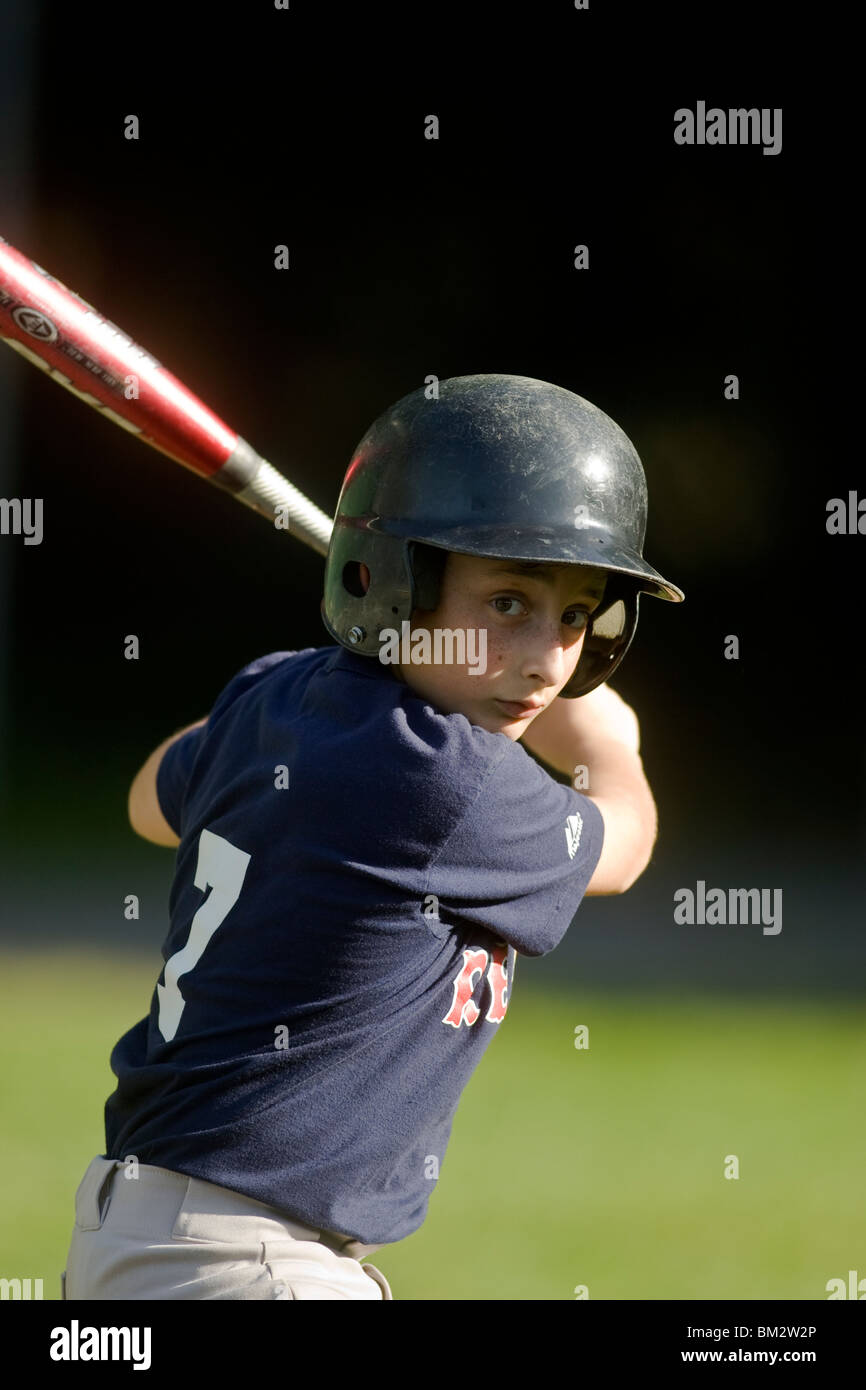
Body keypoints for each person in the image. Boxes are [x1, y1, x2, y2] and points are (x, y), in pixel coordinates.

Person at [62, 373, 683, 1300]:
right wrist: (607, 743)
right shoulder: (450, 782)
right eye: (508, 602)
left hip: (151, 1244)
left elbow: (152, 798)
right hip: (249, 1264)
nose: (548, 657)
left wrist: (338, 674)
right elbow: (624, 848)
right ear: (391, 582)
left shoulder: (274, 695)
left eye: (576, 616)